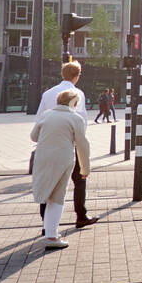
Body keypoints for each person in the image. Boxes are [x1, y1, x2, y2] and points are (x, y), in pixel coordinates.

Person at [37, 61, 97, 229]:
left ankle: (46, 223)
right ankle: (81, 215)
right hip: (70, 144)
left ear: (62, 74)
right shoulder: (78, 93)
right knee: (79, 179)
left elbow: (39, 119)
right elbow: (82, 121)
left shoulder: (48, 93)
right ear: (77, 76)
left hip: (48, 144)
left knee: (49, 182)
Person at [30, 90, 91, 250]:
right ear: (73, 103)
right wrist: (85, 168)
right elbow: (83, 145)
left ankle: (50, 233)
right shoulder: (75, 118)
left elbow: (34, 136)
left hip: (42, 157)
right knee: (57, 197)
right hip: (63, 159)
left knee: (47, 194)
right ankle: (51, 235)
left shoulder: (46, 114)